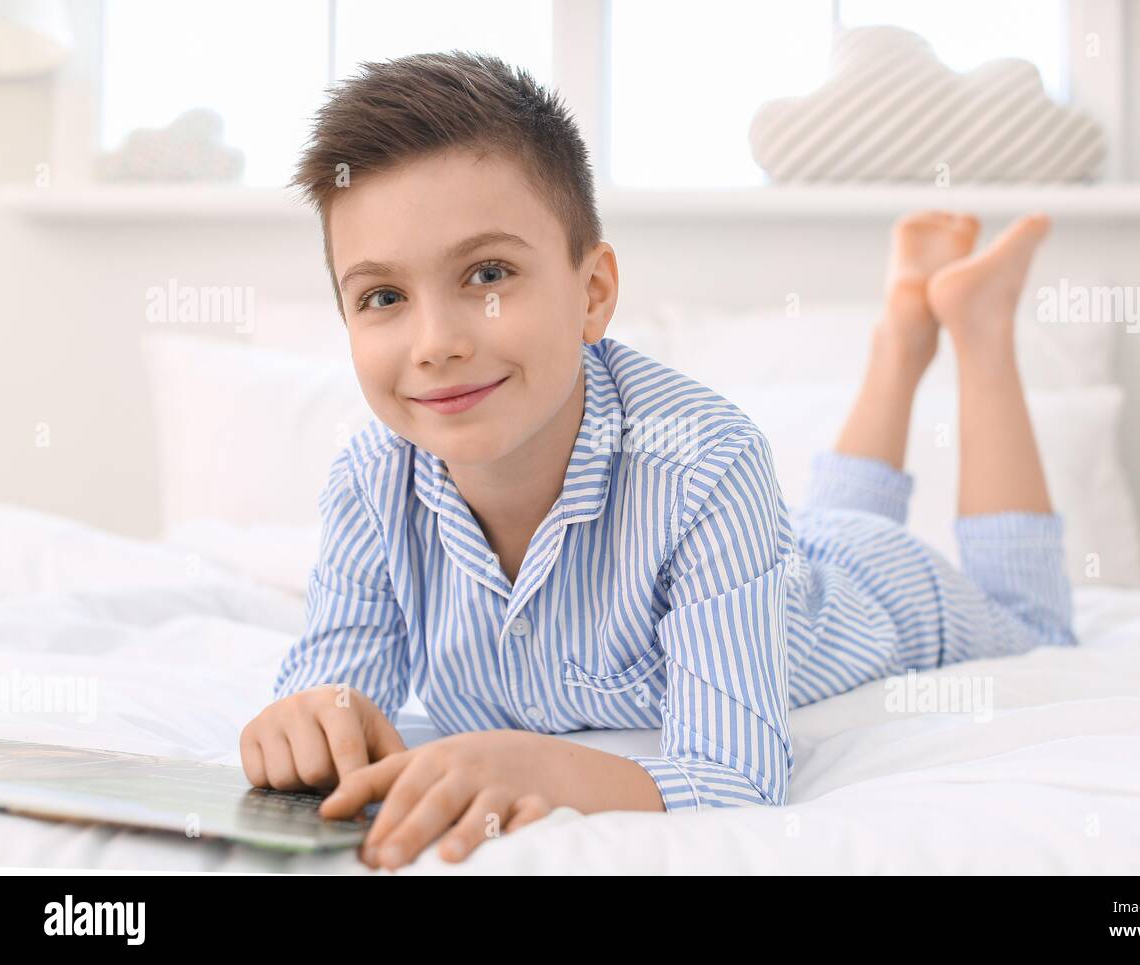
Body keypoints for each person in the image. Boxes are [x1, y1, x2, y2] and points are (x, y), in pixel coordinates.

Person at [240, 51, 1075, 870]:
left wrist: (538, 765)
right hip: (784, 546)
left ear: (593, 294)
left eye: (488, 274)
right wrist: (307, 717)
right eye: (382, 297)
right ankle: (901, 335)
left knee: (1031, 624)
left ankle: (978, 323)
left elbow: (737, 774)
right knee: (828, 519)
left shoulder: (705, 464)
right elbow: (335, 686)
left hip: (859, 592)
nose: (436, 344)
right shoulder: (368, 481)